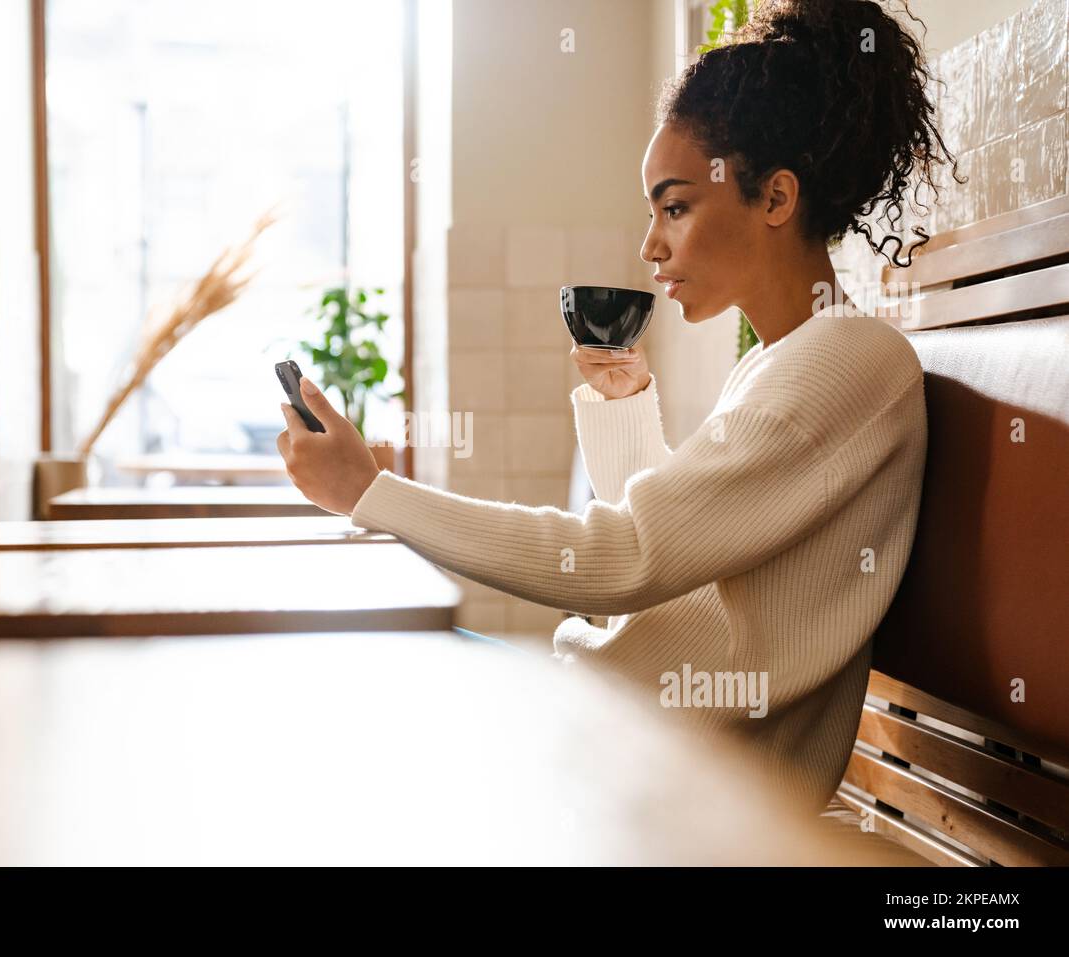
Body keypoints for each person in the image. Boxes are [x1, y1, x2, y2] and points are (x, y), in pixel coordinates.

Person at [275, 0, 959, 814]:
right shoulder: (791, 360)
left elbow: (624, 559)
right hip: (620, 743)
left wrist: (373, 495)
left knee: (340, 683)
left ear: (776, 199)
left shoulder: (849, 362)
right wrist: (628, 405)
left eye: (675, 206)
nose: (651, 246)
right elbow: (680, 560)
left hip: (671, 787)